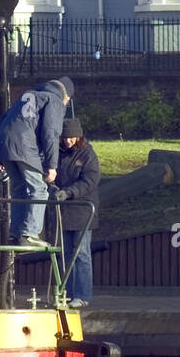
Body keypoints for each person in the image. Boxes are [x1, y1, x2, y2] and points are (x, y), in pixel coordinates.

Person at [0, 76, 73, 248]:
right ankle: (30, 233)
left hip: (5, 145)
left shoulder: (28, 94)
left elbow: (2, 121)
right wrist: (52, 165)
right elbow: (51, 132)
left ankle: (15, 234)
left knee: (20, 188)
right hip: (25, 146)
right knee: (39, 189)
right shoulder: (55, 100)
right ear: (66, 97)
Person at [52, 116, 100, 308]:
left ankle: (83, 295)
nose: (67, 140)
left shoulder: (88, 154)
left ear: (78, 136)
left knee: (81, 253)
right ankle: (67, 294)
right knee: (65, 254)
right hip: (63, 212)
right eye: (65, 137)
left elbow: (90, 180)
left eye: (71, 137)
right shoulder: (59, 153)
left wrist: (70, 192)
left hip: (82, 211)